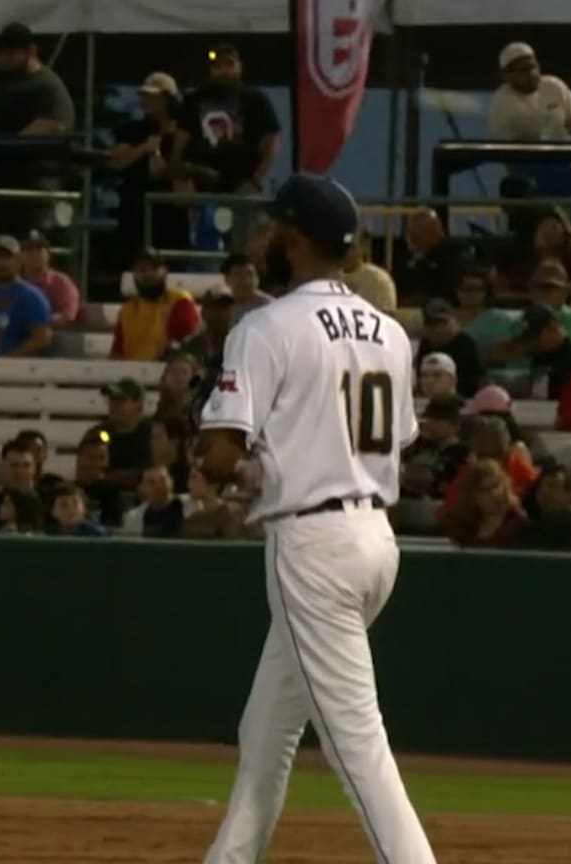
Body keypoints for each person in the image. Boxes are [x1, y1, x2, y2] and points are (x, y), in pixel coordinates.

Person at [195, 173, 436, 863]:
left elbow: (219, 455)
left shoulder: (265, 326)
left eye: (273, 226)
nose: (265, 237)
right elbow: (400, 438)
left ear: (295, 238)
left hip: (315, 545)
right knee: (265, 730)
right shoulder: (388, 330)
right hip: (373, 538)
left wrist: (223, 452)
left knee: (356, 743)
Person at [172, 43, 280, 194]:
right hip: (201, 185)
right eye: (217, 66)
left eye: (229, 64)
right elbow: (180, 141)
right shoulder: (194, 100)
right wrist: (180, 176)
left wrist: (255, 181)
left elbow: (271, 142)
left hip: (242, 183)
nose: (223, 71)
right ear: (211, 69)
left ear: (239, 67)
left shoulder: (255, 99)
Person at [111, 71, 188, 261]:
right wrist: (144, 148)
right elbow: (115, 162)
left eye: (153, 97)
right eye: (144, 96)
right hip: (135, 212)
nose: (146, 101)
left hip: (172, 216)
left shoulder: (184, 133)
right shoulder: (133, 130)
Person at [110, 248, 199, 361]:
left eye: (154, 268)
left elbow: (186, 346)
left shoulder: (179, 300)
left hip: (167, 371)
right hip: (131, 373)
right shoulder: (127, 310)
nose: (147, 274)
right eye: (142, 269)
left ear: (165, 271)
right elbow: (117, 352)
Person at [487, 42, 571, 141]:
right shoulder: (501, 102)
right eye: (524, 70)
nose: (532, 73)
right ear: (506, 76)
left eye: (534, 66)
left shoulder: (554, 85)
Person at [442, 457, 526, 548]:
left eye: (496, 486)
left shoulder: (517, 524)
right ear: (473, 496)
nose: (494, 493)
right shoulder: (463, 525)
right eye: (485, 490)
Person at [19, 230, 80, 325]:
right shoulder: (12, 282)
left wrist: (37, 322)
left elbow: (67, 315)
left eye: (39, 249)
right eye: (29, 249)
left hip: (52, 335)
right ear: (20, 256)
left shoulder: (61, 282)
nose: (34, 254)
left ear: (48, 255)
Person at [341, 228, 397, 313]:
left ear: (364, 246)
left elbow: (387, 318)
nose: (346, 253)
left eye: (351, 247)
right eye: (342, 247)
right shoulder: (326, 277)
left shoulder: (378, 280)